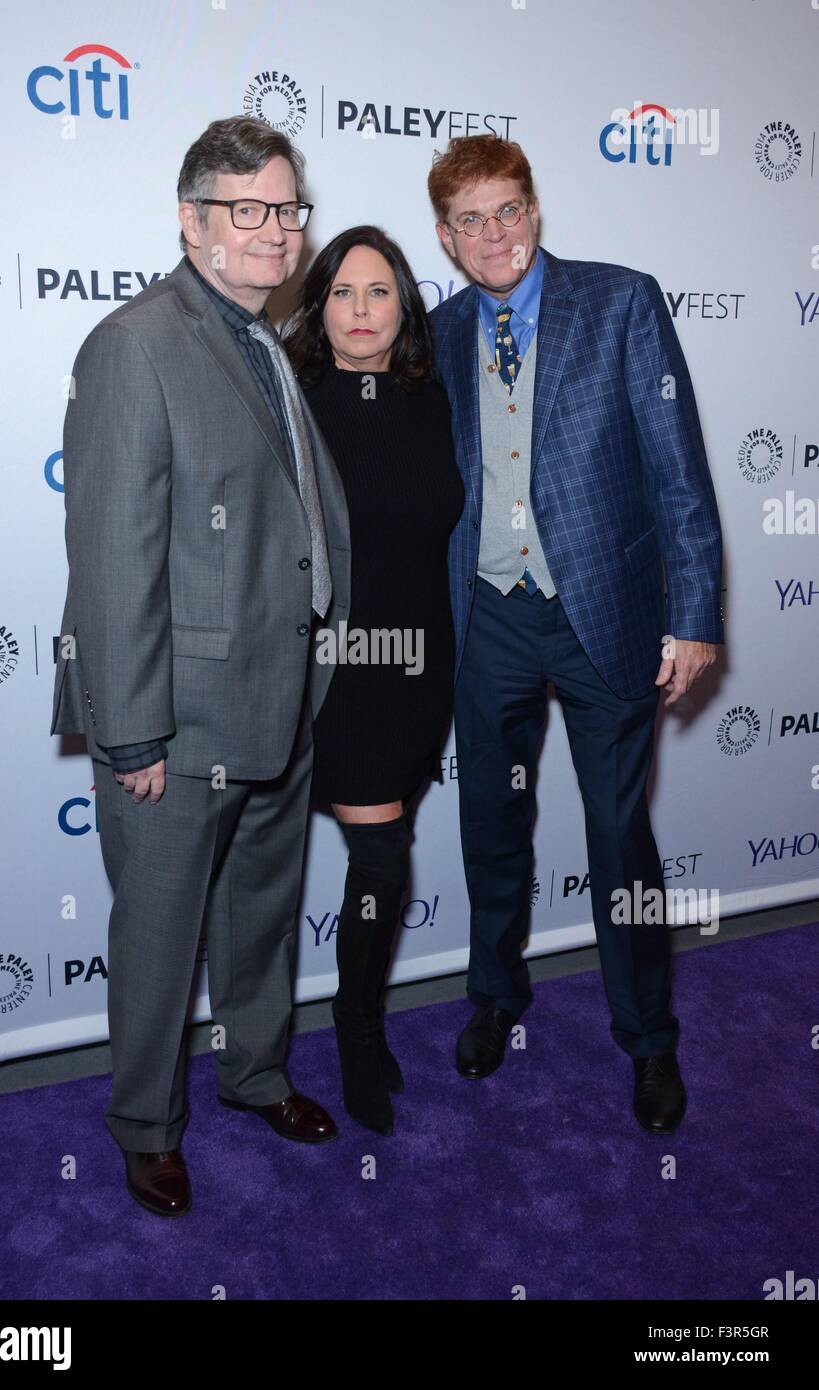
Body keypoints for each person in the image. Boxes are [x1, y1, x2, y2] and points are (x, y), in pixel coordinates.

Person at [51, 115, 351, 1217]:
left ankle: (256, 1074)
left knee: (261, 916)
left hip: (280, 699)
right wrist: (128, 731)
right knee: (161, 934)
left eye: (286, 208)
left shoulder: (264, 336)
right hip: (173, 722)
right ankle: (143, 1126)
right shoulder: (137, 343)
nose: (276, 231)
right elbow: (114, 555)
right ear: (192, 222)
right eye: (249, 210)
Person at [427, 134, 723, 1133]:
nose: (493, 233)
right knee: (490, 829)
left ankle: (646, 1040)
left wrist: (692, 613)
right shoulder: (436, 330)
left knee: (616, 837)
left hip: (605, 614)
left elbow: (676, 467)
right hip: (489, 615)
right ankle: (494, 995)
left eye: (507, 209)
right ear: (445, 236)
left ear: (534, 211)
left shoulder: (620, 300)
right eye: (469, 220)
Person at [284, 227, 464, 1134]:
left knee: (382, 859)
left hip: (421, 664)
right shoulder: (293, 398)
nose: (360, 311)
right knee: (381, 856)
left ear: (405, 304)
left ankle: (359, 1017)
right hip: (335, 667)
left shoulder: (434, 400)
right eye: (343, 293)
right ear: (317, 306)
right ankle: (355, 1030)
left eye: (379, 292)